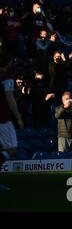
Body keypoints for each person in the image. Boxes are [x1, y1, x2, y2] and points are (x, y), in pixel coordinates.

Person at [0, 58, 24, 191]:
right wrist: (18, 118)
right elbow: (10, 99)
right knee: (11, 149)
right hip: (2, 118)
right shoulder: (6, 77)